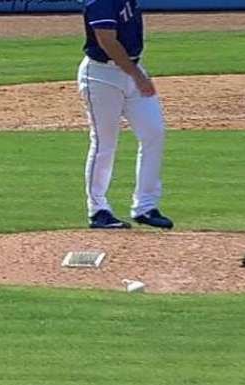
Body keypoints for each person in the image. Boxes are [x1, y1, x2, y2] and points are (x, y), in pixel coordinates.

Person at [78, 0, 173, 230]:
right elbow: (106, 41)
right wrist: (137, 76)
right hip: (101, 76)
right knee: (104, 143)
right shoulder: (99, 2)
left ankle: (145, 207)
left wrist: (135, 73)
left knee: (154, 132)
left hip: (131, 69)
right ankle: (98, 210)